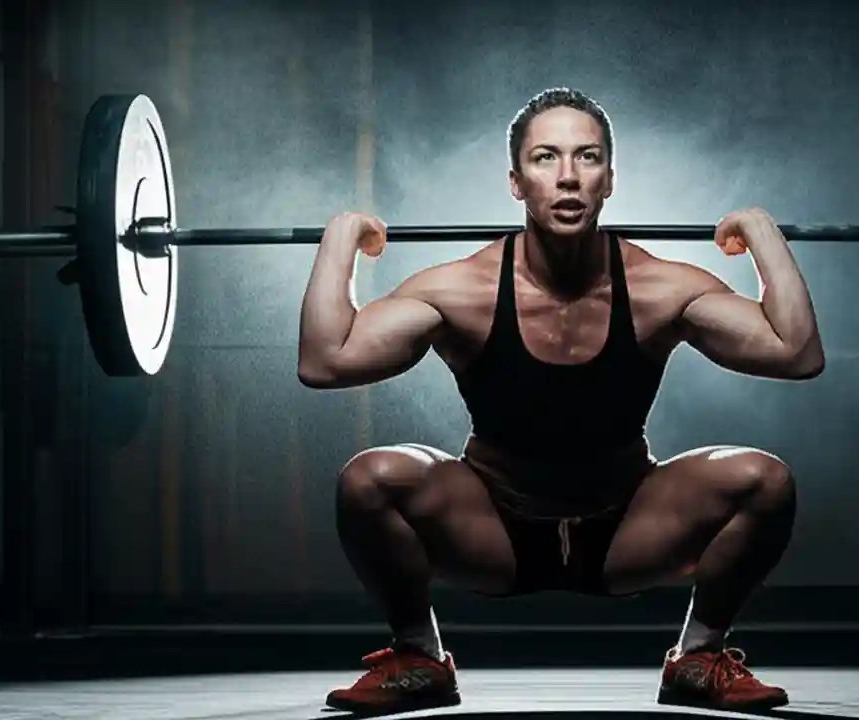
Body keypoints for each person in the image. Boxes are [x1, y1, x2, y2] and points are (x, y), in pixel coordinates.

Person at [297, 87, 823, 715]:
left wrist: (763, 235)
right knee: (368, 479)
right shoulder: (461, 288)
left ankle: (700, 655)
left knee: (766, 481)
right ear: (517, 182)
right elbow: (324, 361)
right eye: (546, 158)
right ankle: (419, 656)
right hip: (494, 524)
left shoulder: (659, 288)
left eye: (588, 157)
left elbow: (797, 353)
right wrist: (340, 240)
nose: (568, 177)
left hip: (627, 525)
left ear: (609, 180)